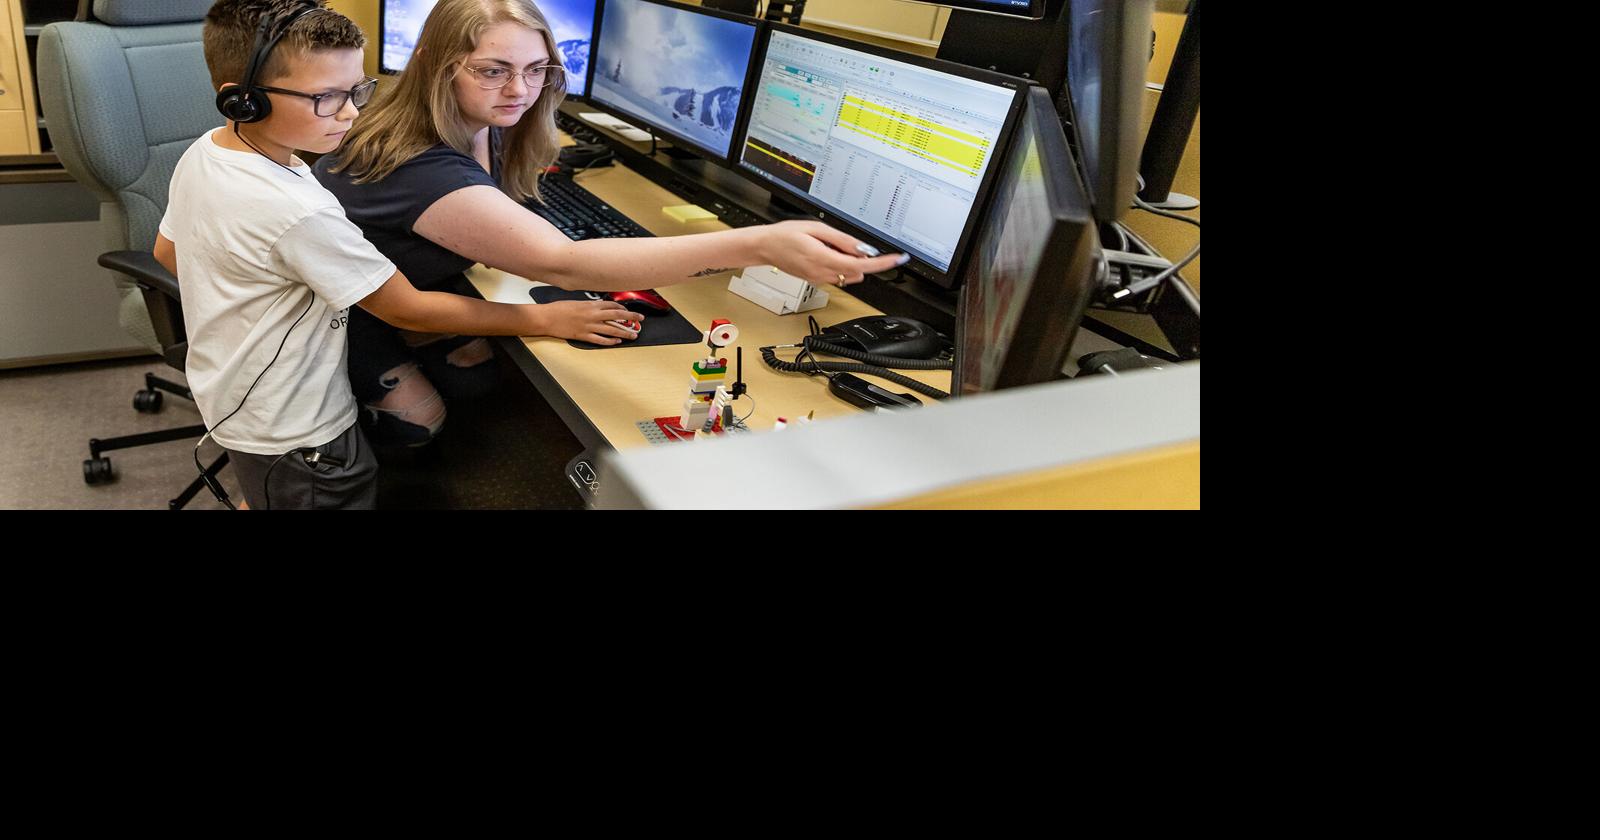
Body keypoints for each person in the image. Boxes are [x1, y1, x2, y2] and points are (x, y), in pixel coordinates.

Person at [314, 0, 907, 446]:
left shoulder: (476, 119)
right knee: (427, 418)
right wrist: (761, 243)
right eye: (492, 70)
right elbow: (563, 263)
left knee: (482, 377)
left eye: (537, 69)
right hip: (332, 322)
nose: (520, 90)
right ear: (435, 66)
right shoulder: (421, 161)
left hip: (395, 286)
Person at [156, 0, 639, 509]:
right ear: (242, 102)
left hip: (238, 393)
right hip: (301, 425)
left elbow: (168, 253)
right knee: (332, 491)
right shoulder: (301, 210)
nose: (351, 113)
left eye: (356, 91)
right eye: (327, 97)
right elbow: (405, 308)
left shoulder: (208, 151)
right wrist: (546, 319)